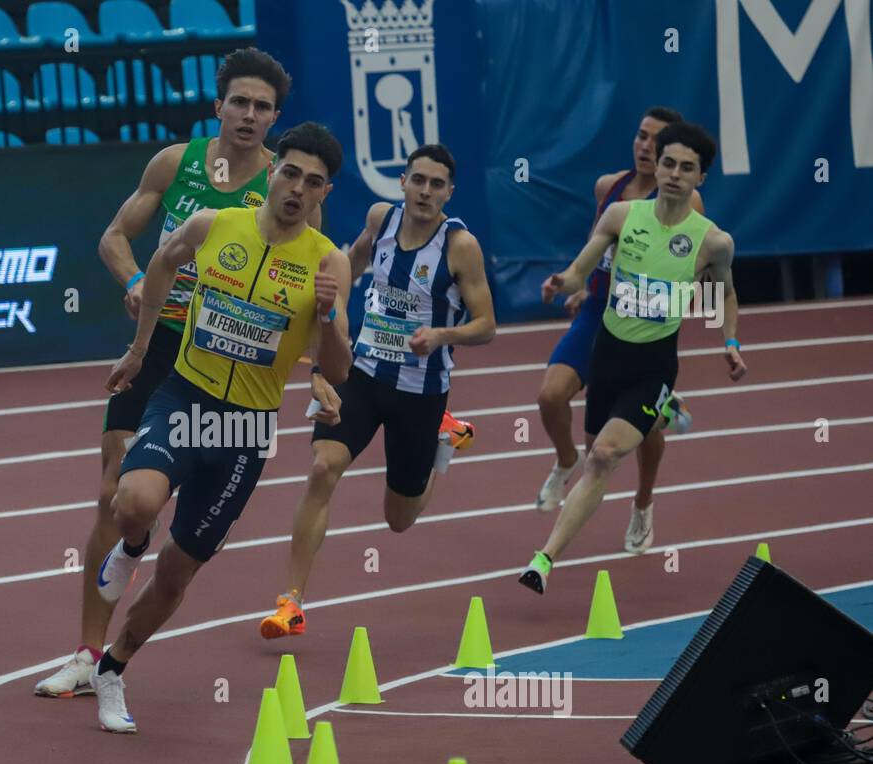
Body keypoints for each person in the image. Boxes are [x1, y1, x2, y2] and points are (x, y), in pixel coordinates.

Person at [34, 48, 304, 698]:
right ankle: (84, 651)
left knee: (183, 525)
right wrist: (134, 281)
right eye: (238, 101)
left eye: (262, 106)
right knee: (113, 493)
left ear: (274, 118)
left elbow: (299, 287)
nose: (248, 114)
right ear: (218, 105)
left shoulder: (285, 185)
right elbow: (112, 237)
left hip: (220, 366)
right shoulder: (175, 163)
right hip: (158, 347)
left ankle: (119, 652)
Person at [88, 122, 353, 732]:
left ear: (324, 193)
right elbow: (160, 262)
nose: (297, 188)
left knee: (178, 572)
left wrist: (331, 313)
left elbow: (337, 367)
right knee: (133, 500)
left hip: (246, 432)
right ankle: (131, 547)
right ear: (273, 173)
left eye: (313, 183)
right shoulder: (216, 224)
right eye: (289, 173)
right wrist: (139, 347)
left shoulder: (328, 261)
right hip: (185, 397)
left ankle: (113, 669)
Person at [258, 143, 495, 639]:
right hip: (361, 376)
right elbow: (349, 267)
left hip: (420, 392)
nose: (425, 191)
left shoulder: (459, 246)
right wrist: (330, 328)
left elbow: (486, 325)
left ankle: (442, 444)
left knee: (399, 519)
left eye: (436, 184)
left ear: (449, 192)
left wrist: (443, 336)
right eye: (418, 180)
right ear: (403, 181)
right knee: (323, 468)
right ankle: (291, 602)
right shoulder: (380, 219)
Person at [519, 122, 747, 594]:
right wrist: (562, 282)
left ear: (700, 178)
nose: (675, 174)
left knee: (603, 456)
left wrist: (730, 342)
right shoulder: (622, 215)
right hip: (607, 355)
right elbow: (582, 267)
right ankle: (660, 428)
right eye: (668, 163)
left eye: (688, 168)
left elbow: (724, 294)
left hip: (653, 365)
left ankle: (545, 559)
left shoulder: (712, 241)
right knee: (592, 454)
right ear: (657, 166)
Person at [535, 107, 705, 554]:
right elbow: (599, 244)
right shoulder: (609, 188)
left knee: (643, 430)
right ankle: (565, 459)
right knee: (551, 394)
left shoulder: (687, 202)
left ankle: (643, 502)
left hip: (647, 324)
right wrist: (576, 284)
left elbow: (691, 260)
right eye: (641, 136)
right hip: (599, 312)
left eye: (656, 142)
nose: (646, 147)